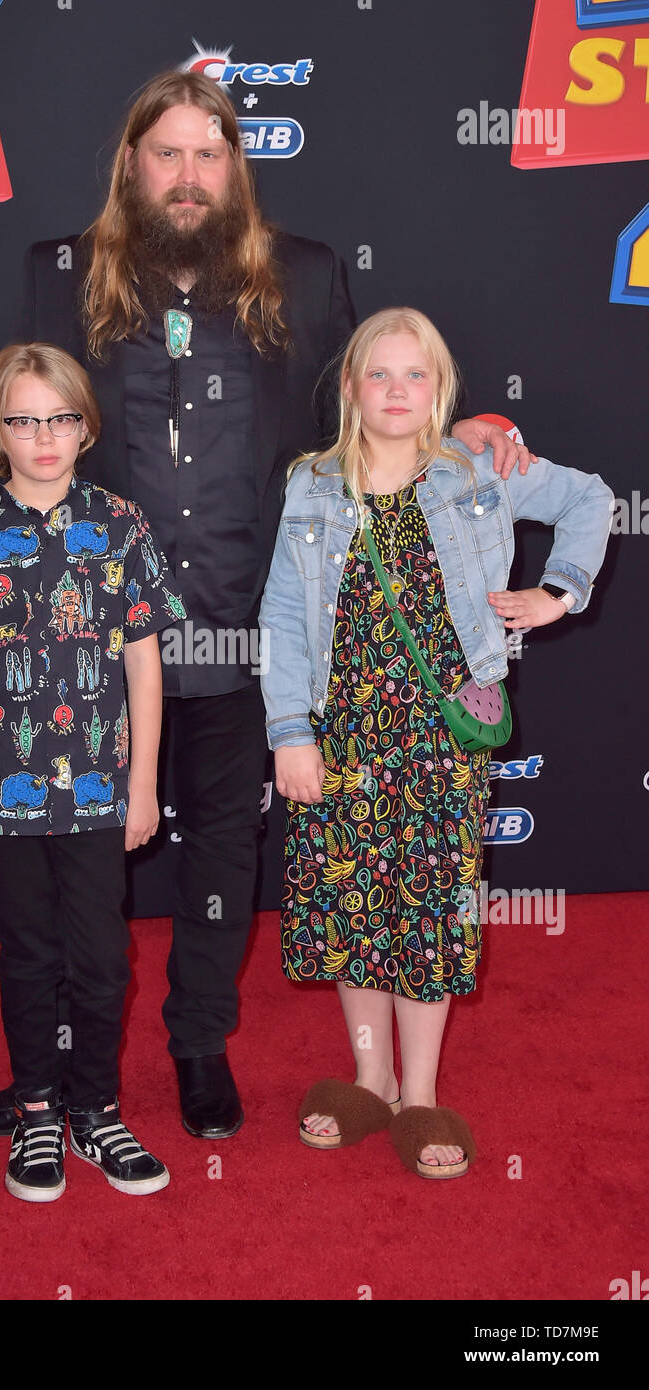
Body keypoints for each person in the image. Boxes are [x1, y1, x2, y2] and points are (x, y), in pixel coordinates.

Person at [0, 70, 534, 1142]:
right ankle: (55, 1076)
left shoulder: (302, 277)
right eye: (168, 154)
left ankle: (198, 1048)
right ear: (130, 163)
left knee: (219, 850)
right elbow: (27, 403)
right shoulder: (56, 274)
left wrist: (469, 427)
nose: (190, 176)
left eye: (210, 156)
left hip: (251, 622)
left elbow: (376, 415)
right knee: (68, 868)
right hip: (83, 641)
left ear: (234, 169)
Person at [259, 307, 612, 1178]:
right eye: (378, 374)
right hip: (340, 736)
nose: (396, 391)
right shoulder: (312, 483)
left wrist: (557, 592)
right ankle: (370, 1075)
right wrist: (289, 733)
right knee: (352, 910)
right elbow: (283, 618)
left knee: (425, 910)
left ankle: (419, 1093)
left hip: (440, 742)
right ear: (350, 387)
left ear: (441, 391)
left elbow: (590, 500)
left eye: (415, 376)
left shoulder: (477, 470)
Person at [0, 342, 179, 1201]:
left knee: (103, 958)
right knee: (28, 956)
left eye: (59, 418)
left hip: (103, 791)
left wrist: (144, 785)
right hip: (1, 787)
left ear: (84, 425)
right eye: (24, 421)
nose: (43, 437)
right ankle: (36, 1112)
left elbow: (144, 667)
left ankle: (95, 1110)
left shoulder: (123, 525)